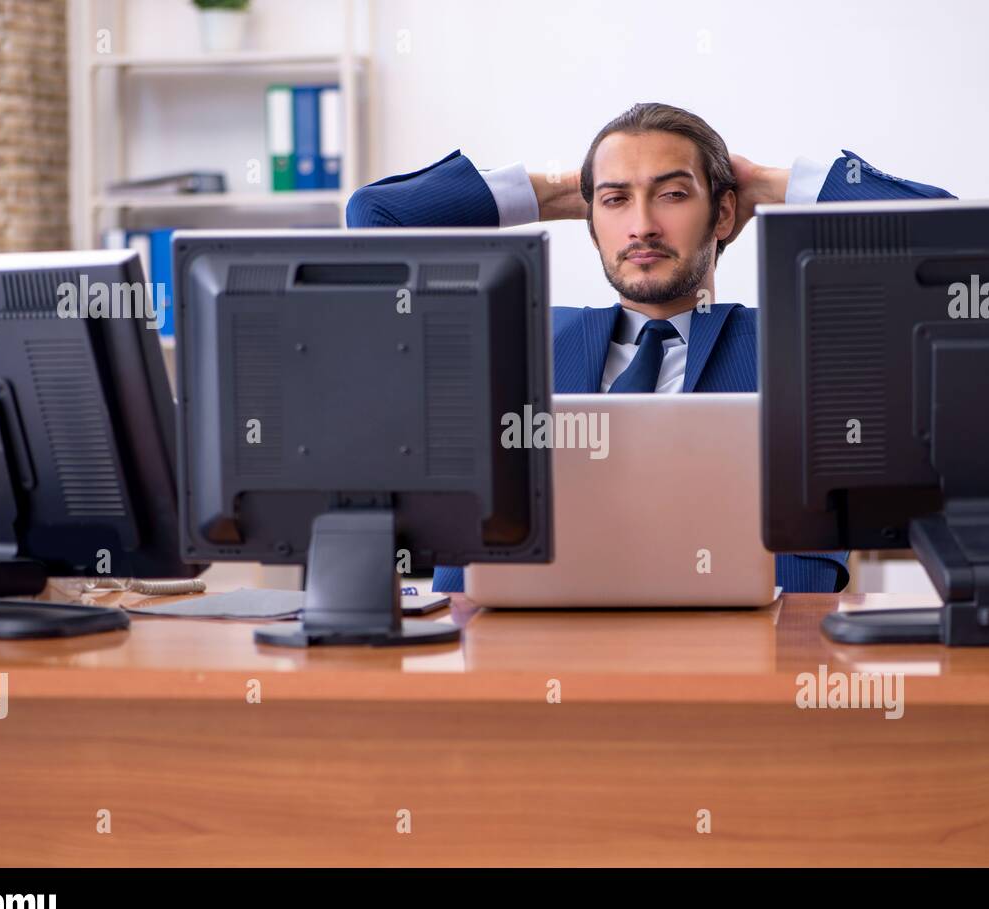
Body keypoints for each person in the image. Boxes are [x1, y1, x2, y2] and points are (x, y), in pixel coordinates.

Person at [346, 102, 955, 594]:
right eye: (615, 200)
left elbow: (945, 247)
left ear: (722, 215)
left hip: (756, 671)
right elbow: (374, 219)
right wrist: (558, 191)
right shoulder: (515, 338)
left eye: (671, 194)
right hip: (516, 661)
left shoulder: (805, 343)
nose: (641, 225)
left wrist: (769, 185)